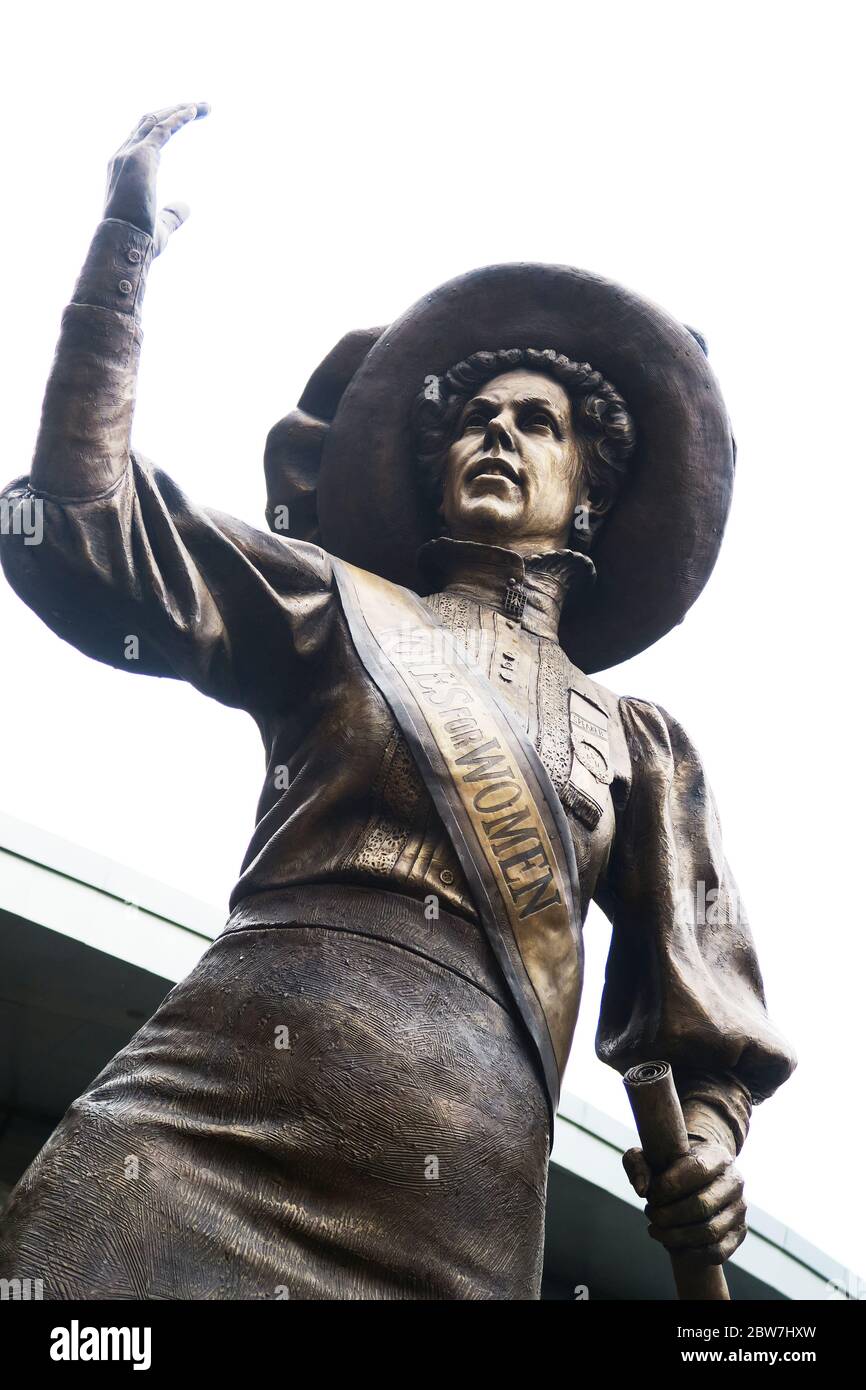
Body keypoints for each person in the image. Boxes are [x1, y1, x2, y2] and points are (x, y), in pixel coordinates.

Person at [0, 104, 795, 1300]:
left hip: (454, 1207)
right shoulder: (333, 605)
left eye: (537, 423)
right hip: (204, 1123)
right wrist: (119, 265)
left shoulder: (644, 747)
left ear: (589, 485)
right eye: (474, 419)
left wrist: (717, 1155)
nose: (496, 434)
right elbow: (84, 529)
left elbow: (705, 1033)